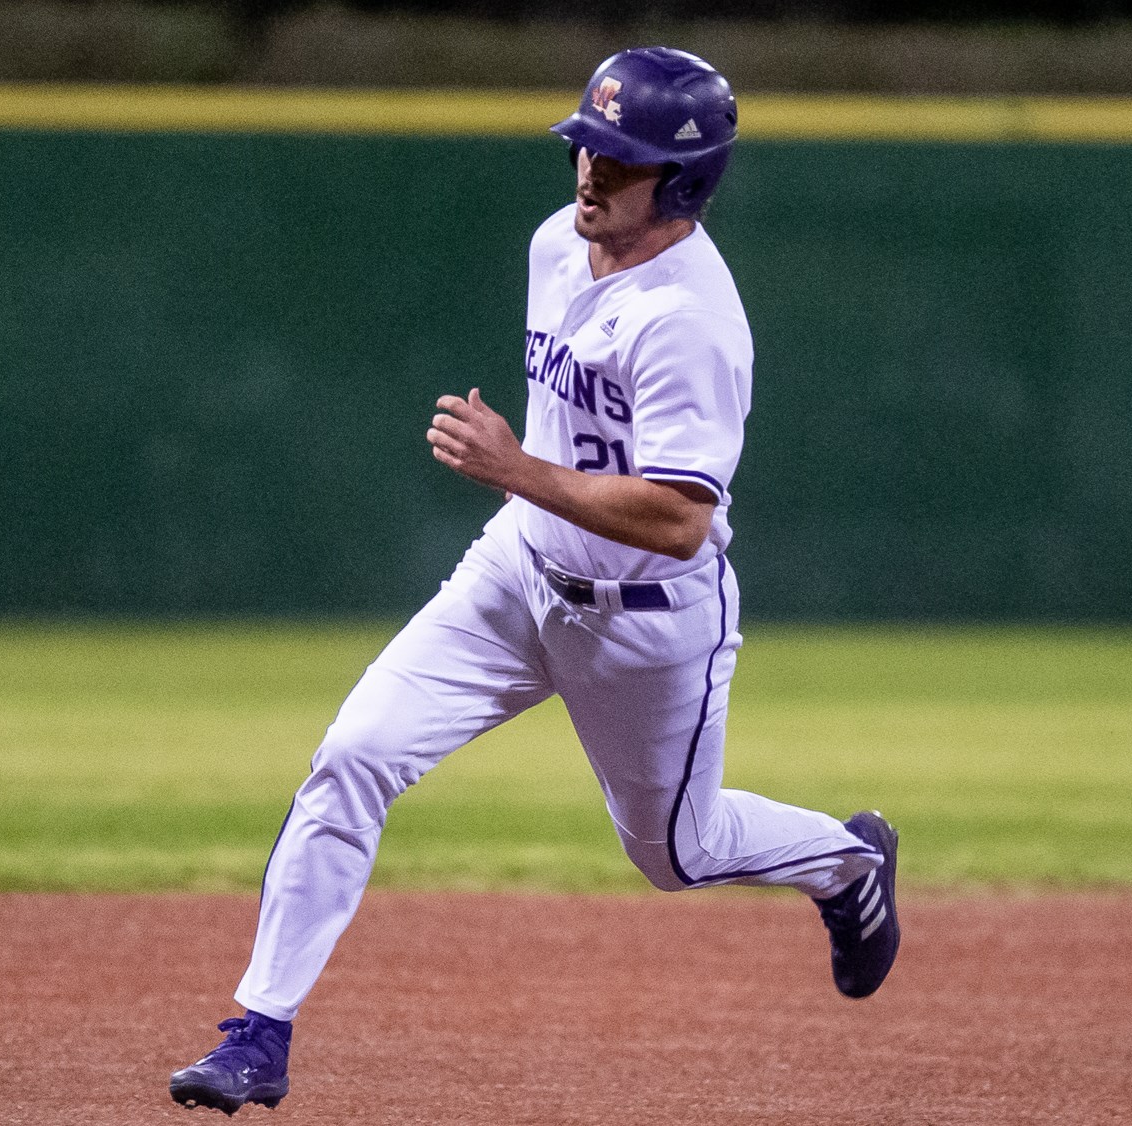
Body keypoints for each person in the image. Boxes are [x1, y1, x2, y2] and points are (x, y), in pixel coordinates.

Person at [170, 47, 900, 1116]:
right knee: (353, 755)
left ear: (685, 181)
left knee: (677, 856)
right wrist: (524, 490)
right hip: (516, 572)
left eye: (620, 158)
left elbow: (680, 519)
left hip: (646, 625)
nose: (589, 171)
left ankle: (844, 864)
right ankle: (257, 1034)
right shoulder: (557, 243)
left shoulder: (690, 322)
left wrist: (516, 467)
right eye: (585, 145)